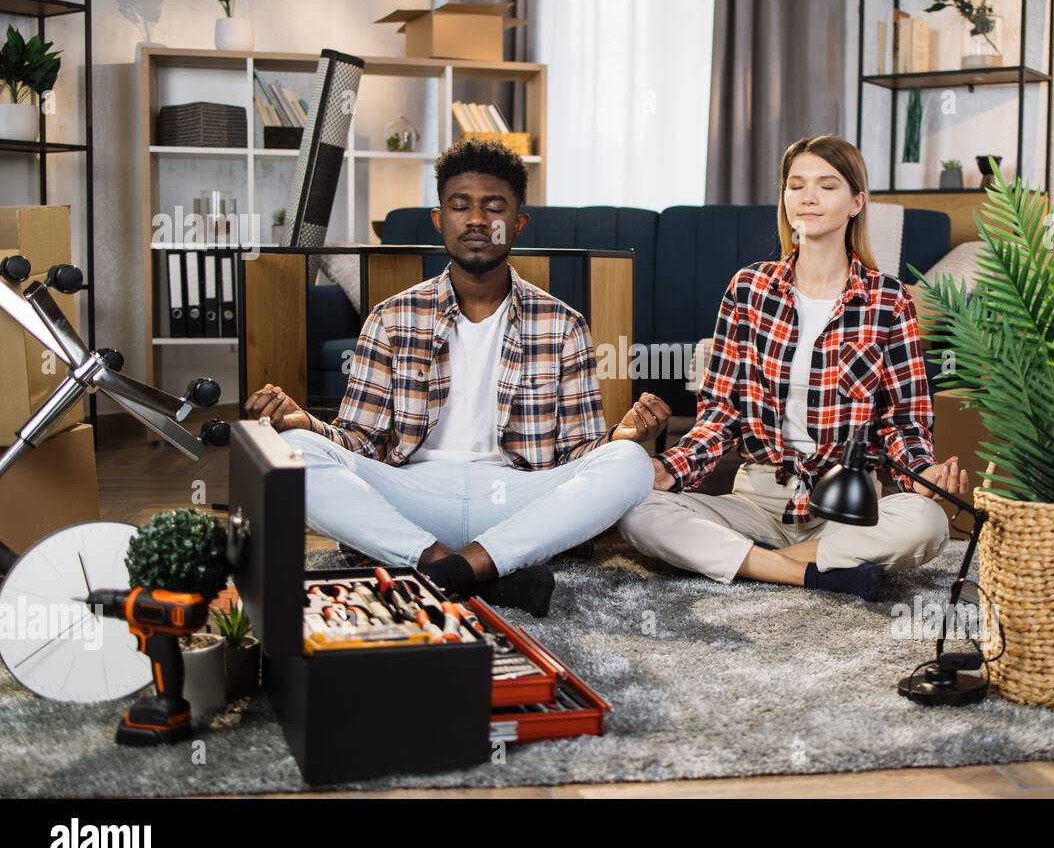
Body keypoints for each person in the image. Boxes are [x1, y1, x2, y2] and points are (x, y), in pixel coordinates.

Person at [245, 138, 669, 616]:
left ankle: (453, 569)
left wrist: (622, 436)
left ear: (518, 223)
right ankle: (463, 570)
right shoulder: (391, 317)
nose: (475, 220)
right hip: (414, 497)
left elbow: (577, 457)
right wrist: (304, 424)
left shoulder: (564, 323)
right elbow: (360, 440)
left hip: (516, 499)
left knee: (630, 463)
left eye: (494, 207)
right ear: (439, 219)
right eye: (460, 206)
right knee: (289, 455)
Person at [618, 134, 965, 602]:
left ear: (857, 201)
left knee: (926, 523)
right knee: (638, 512)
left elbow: (903, 420)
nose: (808, 196)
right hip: (756, 499)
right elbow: (721, 412)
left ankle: (750, 562)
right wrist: (668, 470)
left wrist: (925, 476)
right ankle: (811, 571)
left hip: (850, 506)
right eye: (796, 185)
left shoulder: (889, 299)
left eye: (827, 185)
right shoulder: (749, 288)